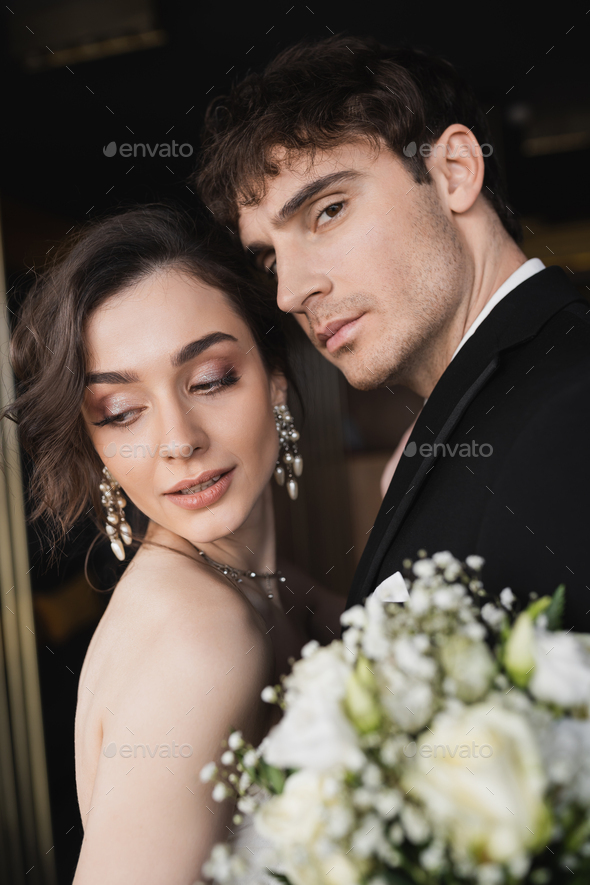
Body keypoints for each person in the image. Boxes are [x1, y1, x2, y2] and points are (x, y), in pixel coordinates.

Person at [195, 34, 590, 632]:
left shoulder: (570, 410)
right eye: (271, 260)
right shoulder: (466, 420)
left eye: (327, 211)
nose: (290, 292)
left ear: (455, 171)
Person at [3, 204, 342, 883]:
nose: (178, 439)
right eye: (121, 411)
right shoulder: (200, 634)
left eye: (211, 379)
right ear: (94, 442)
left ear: (276, 376)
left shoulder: (273, 591)